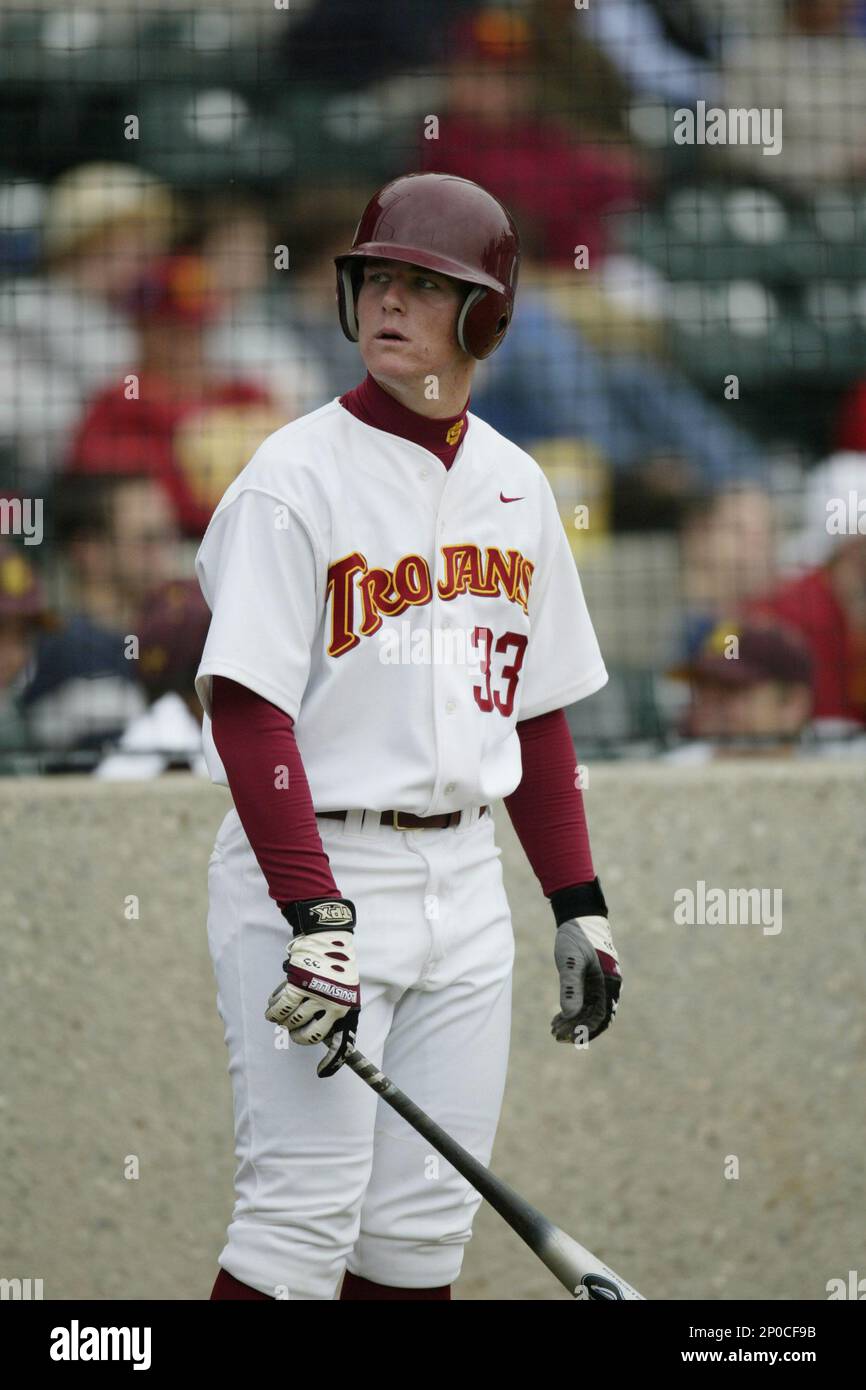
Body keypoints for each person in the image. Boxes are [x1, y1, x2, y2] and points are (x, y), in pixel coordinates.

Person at [194, 172, 620, 1302]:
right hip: (318, 870)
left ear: (483, 316)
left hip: (464, 881)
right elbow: (246, 709)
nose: (388, 301)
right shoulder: (292, 478)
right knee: (298, 1215)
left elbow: (536, 713)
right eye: (375, 278)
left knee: (420, 1237)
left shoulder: (518, 490)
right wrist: (312, 912)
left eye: (424, 286)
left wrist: (575, 900)